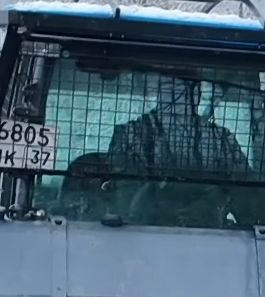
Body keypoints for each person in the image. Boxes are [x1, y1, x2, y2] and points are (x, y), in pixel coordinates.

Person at [106, 78, 252, 226]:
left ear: (197, 94)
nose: (179, 96)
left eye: (188, 89)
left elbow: (249, 200)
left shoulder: (221, 139)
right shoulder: (128, 135)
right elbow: (123, 199)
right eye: (170, 88)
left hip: (209, 236)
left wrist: (212, 201)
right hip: (142, 234)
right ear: (158, 93)